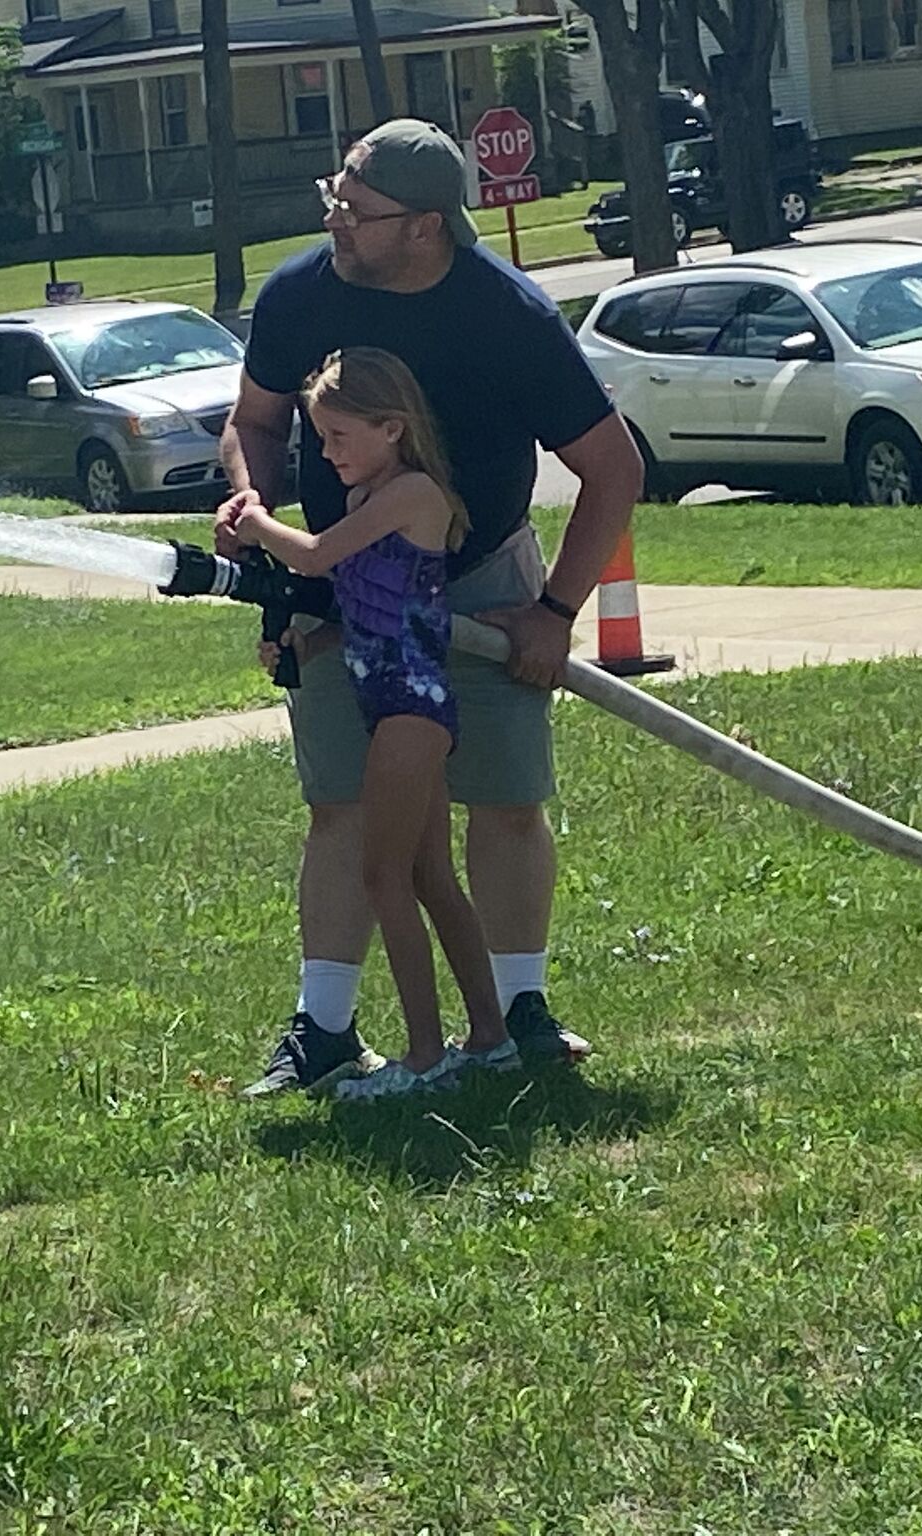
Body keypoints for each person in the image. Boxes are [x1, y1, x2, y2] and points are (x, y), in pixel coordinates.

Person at [218, 118, 644, 1100]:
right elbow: (254, 419)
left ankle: (518, 1013)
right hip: (341, 594)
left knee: (500, 800)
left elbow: (611, 468)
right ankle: (321, 1030)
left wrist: (552, 610)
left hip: (481, 582)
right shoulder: (299, 293)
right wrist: (248, 500)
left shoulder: (503, 315)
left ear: (421, 226)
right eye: (334, 197)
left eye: (354, 211)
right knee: (342, 807)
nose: (333, 220)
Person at [231, 348, 515, 1099]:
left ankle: (424, 1058)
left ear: (392, 427)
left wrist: (258, 522)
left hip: (412, 710)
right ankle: (491, 1037)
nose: (328, 455)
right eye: (319, 441)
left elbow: (320, 558)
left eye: (338, 438)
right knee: (426, 875)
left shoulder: (416, 494)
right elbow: (366, 615)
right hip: (387, 699)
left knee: (383, 873)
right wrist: (304, 639)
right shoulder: (368, 503)